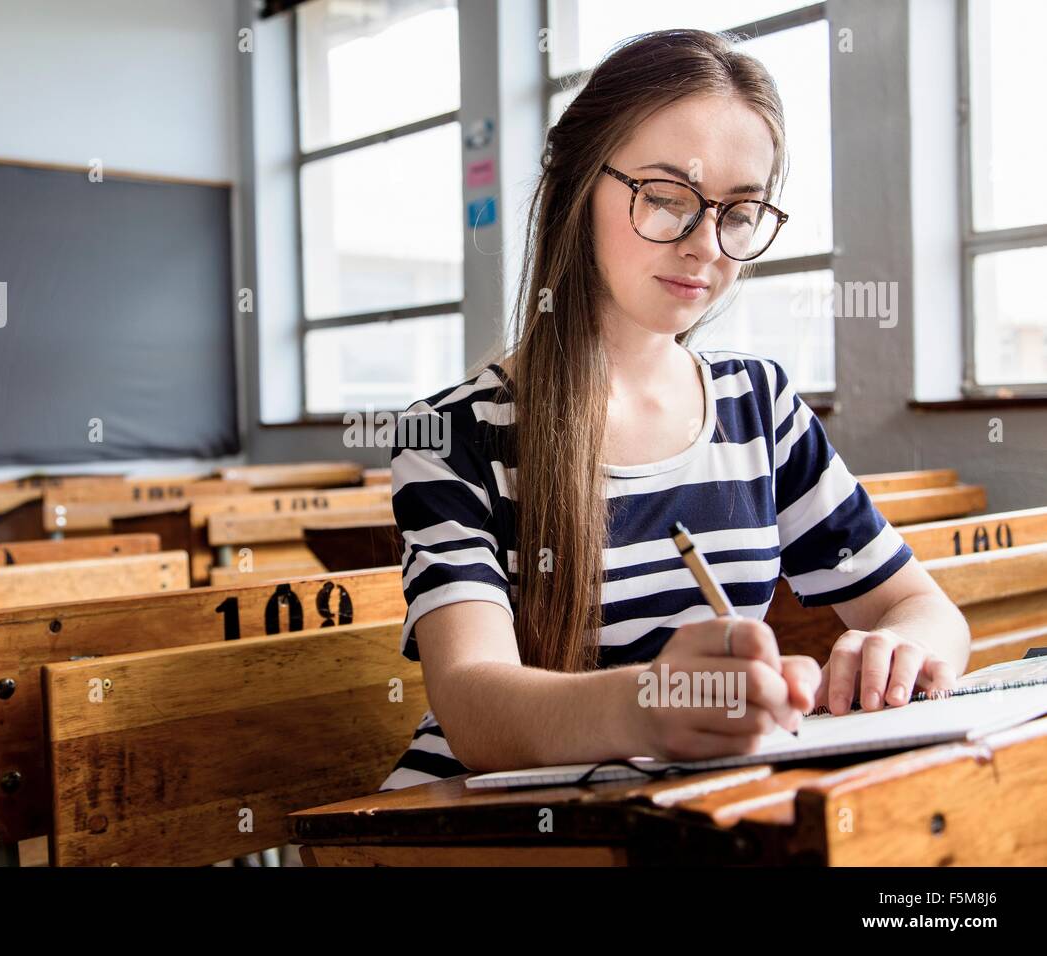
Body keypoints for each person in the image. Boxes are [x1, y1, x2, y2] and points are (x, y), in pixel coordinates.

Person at [381, 28, 970, 791]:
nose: (706, 246)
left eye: (740, 212)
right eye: (666, 200)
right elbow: (475, 707)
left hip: (687, 814)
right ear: (576, 186)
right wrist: (653, 703)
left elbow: (926, 608)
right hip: (471, 829)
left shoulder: (757, 408)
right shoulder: (453, 437)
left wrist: (902, 647)